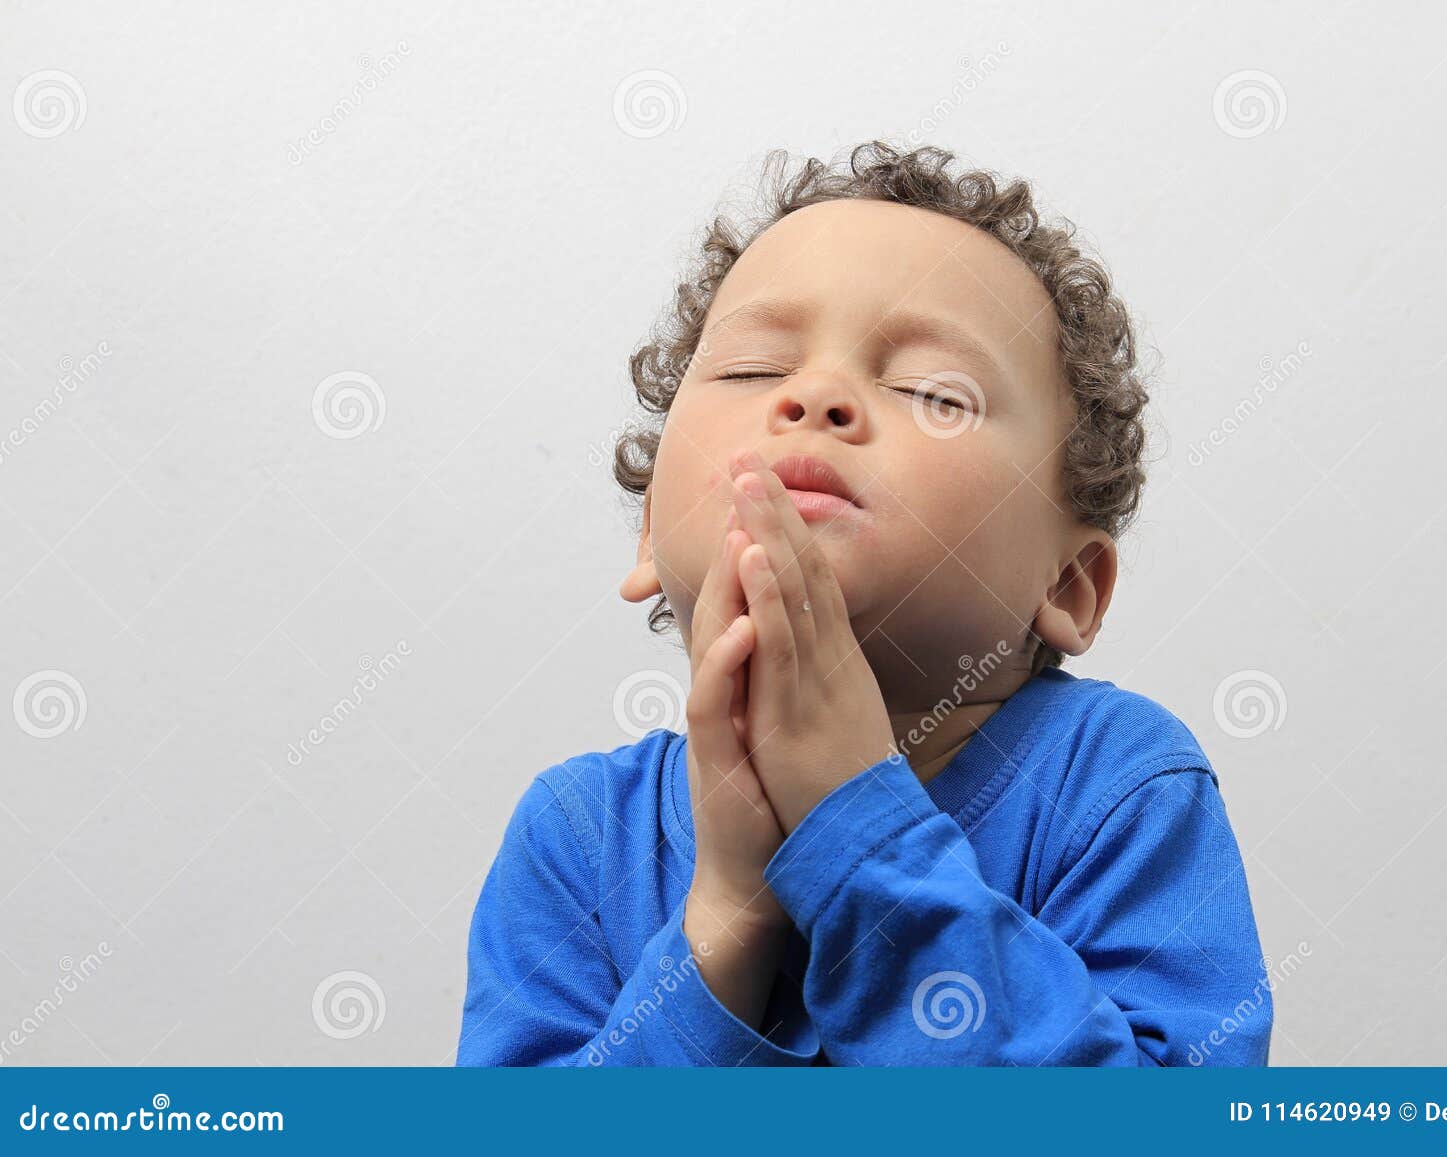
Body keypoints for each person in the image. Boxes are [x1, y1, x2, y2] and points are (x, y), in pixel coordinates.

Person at [455, 140, 1272, 1066]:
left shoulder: (1119, 788)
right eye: (754, 368)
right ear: (649, 533)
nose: (817, 396)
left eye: (932, 390)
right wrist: (727, 917)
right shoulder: (578, 833)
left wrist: (854, 831)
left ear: (1067, 584)